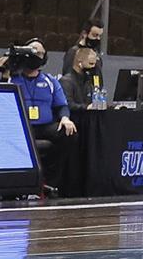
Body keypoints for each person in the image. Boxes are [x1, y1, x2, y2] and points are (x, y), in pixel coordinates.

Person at [6, 41, 75, 186]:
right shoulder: (13, 79)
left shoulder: (50, 81)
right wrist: (5, 70)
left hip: (44, 126)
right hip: (22, 127)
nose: (37, 55)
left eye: (40, 53)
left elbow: (61, 105)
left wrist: (65, 118)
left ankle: (52, 180)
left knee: (69, 133)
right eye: (33, 51)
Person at [61, 44, 106, 113]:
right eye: (91, 64)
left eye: (95, 64)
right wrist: (86, 107)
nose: (93, 67)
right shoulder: (66, 81)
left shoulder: (88, 81)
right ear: (80, 63)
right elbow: (67, 105)